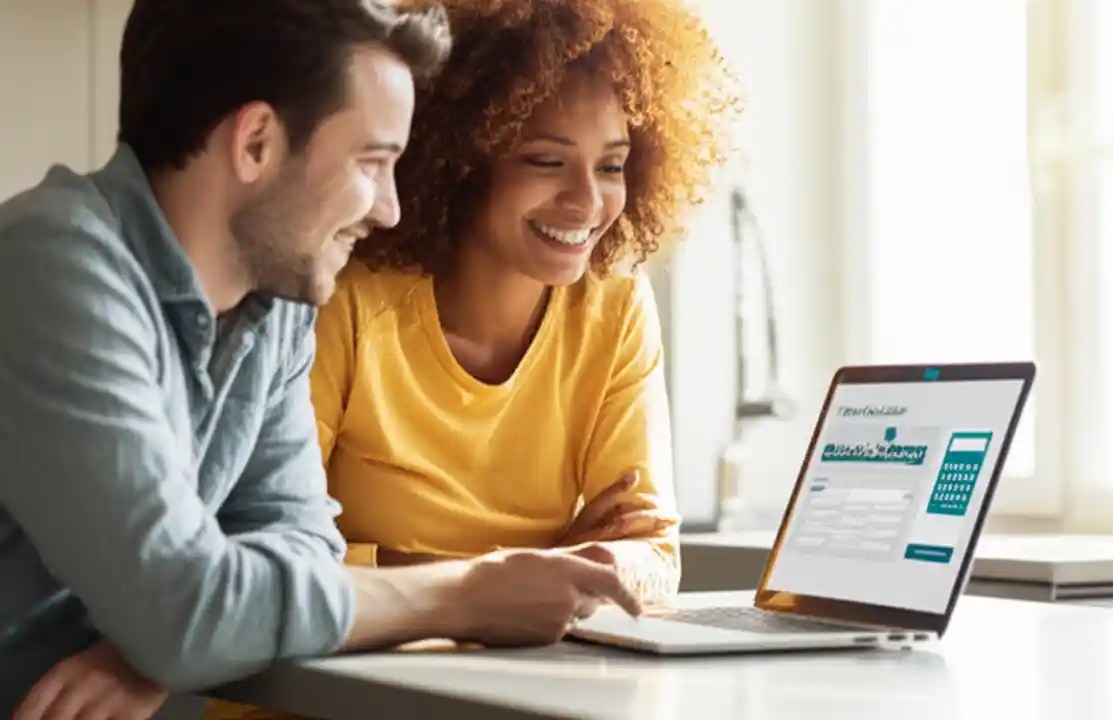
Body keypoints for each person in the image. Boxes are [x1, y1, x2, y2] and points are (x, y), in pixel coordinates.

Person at [0, 1, 642, 718]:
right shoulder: (53, 267)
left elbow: (301, 548)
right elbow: (186, 613)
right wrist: (466, 594)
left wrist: (184, 630)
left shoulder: (275, 304)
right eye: (373, 162)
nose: (391, 209)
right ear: (256, 143)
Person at [309, 0, 737, 599]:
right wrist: (514, 576)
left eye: (612, 166)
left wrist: (525, 576)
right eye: (545, 161)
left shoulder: (614, 309)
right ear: (461, 161)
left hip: (520, 680)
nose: (587, 202)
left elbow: (654, 556)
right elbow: (281, 558)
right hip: (326, 688)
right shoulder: (347, 303)